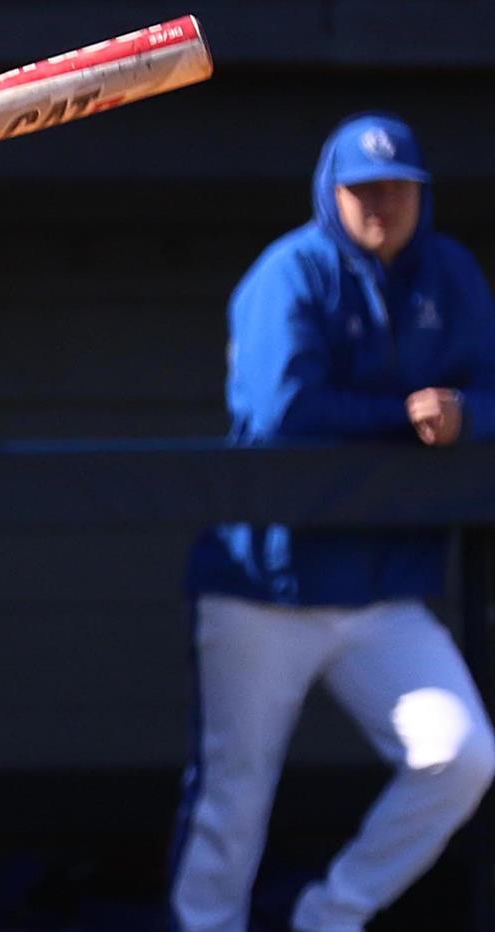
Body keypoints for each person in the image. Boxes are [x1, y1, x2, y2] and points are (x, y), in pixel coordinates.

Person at [169, 111, 495, 932]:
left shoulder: (449, 274)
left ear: (422, 194)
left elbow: (488, 389)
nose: (380, 203)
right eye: (362, 189)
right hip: (265, 582)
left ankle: (330, 915)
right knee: (232, 799)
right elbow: (281, 411)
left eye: (397, 188)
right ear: (332, 192)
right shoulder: (294, 271)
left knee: (460, 756)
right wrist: (402, 419)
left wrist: (468, 417)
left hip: (384, 588)